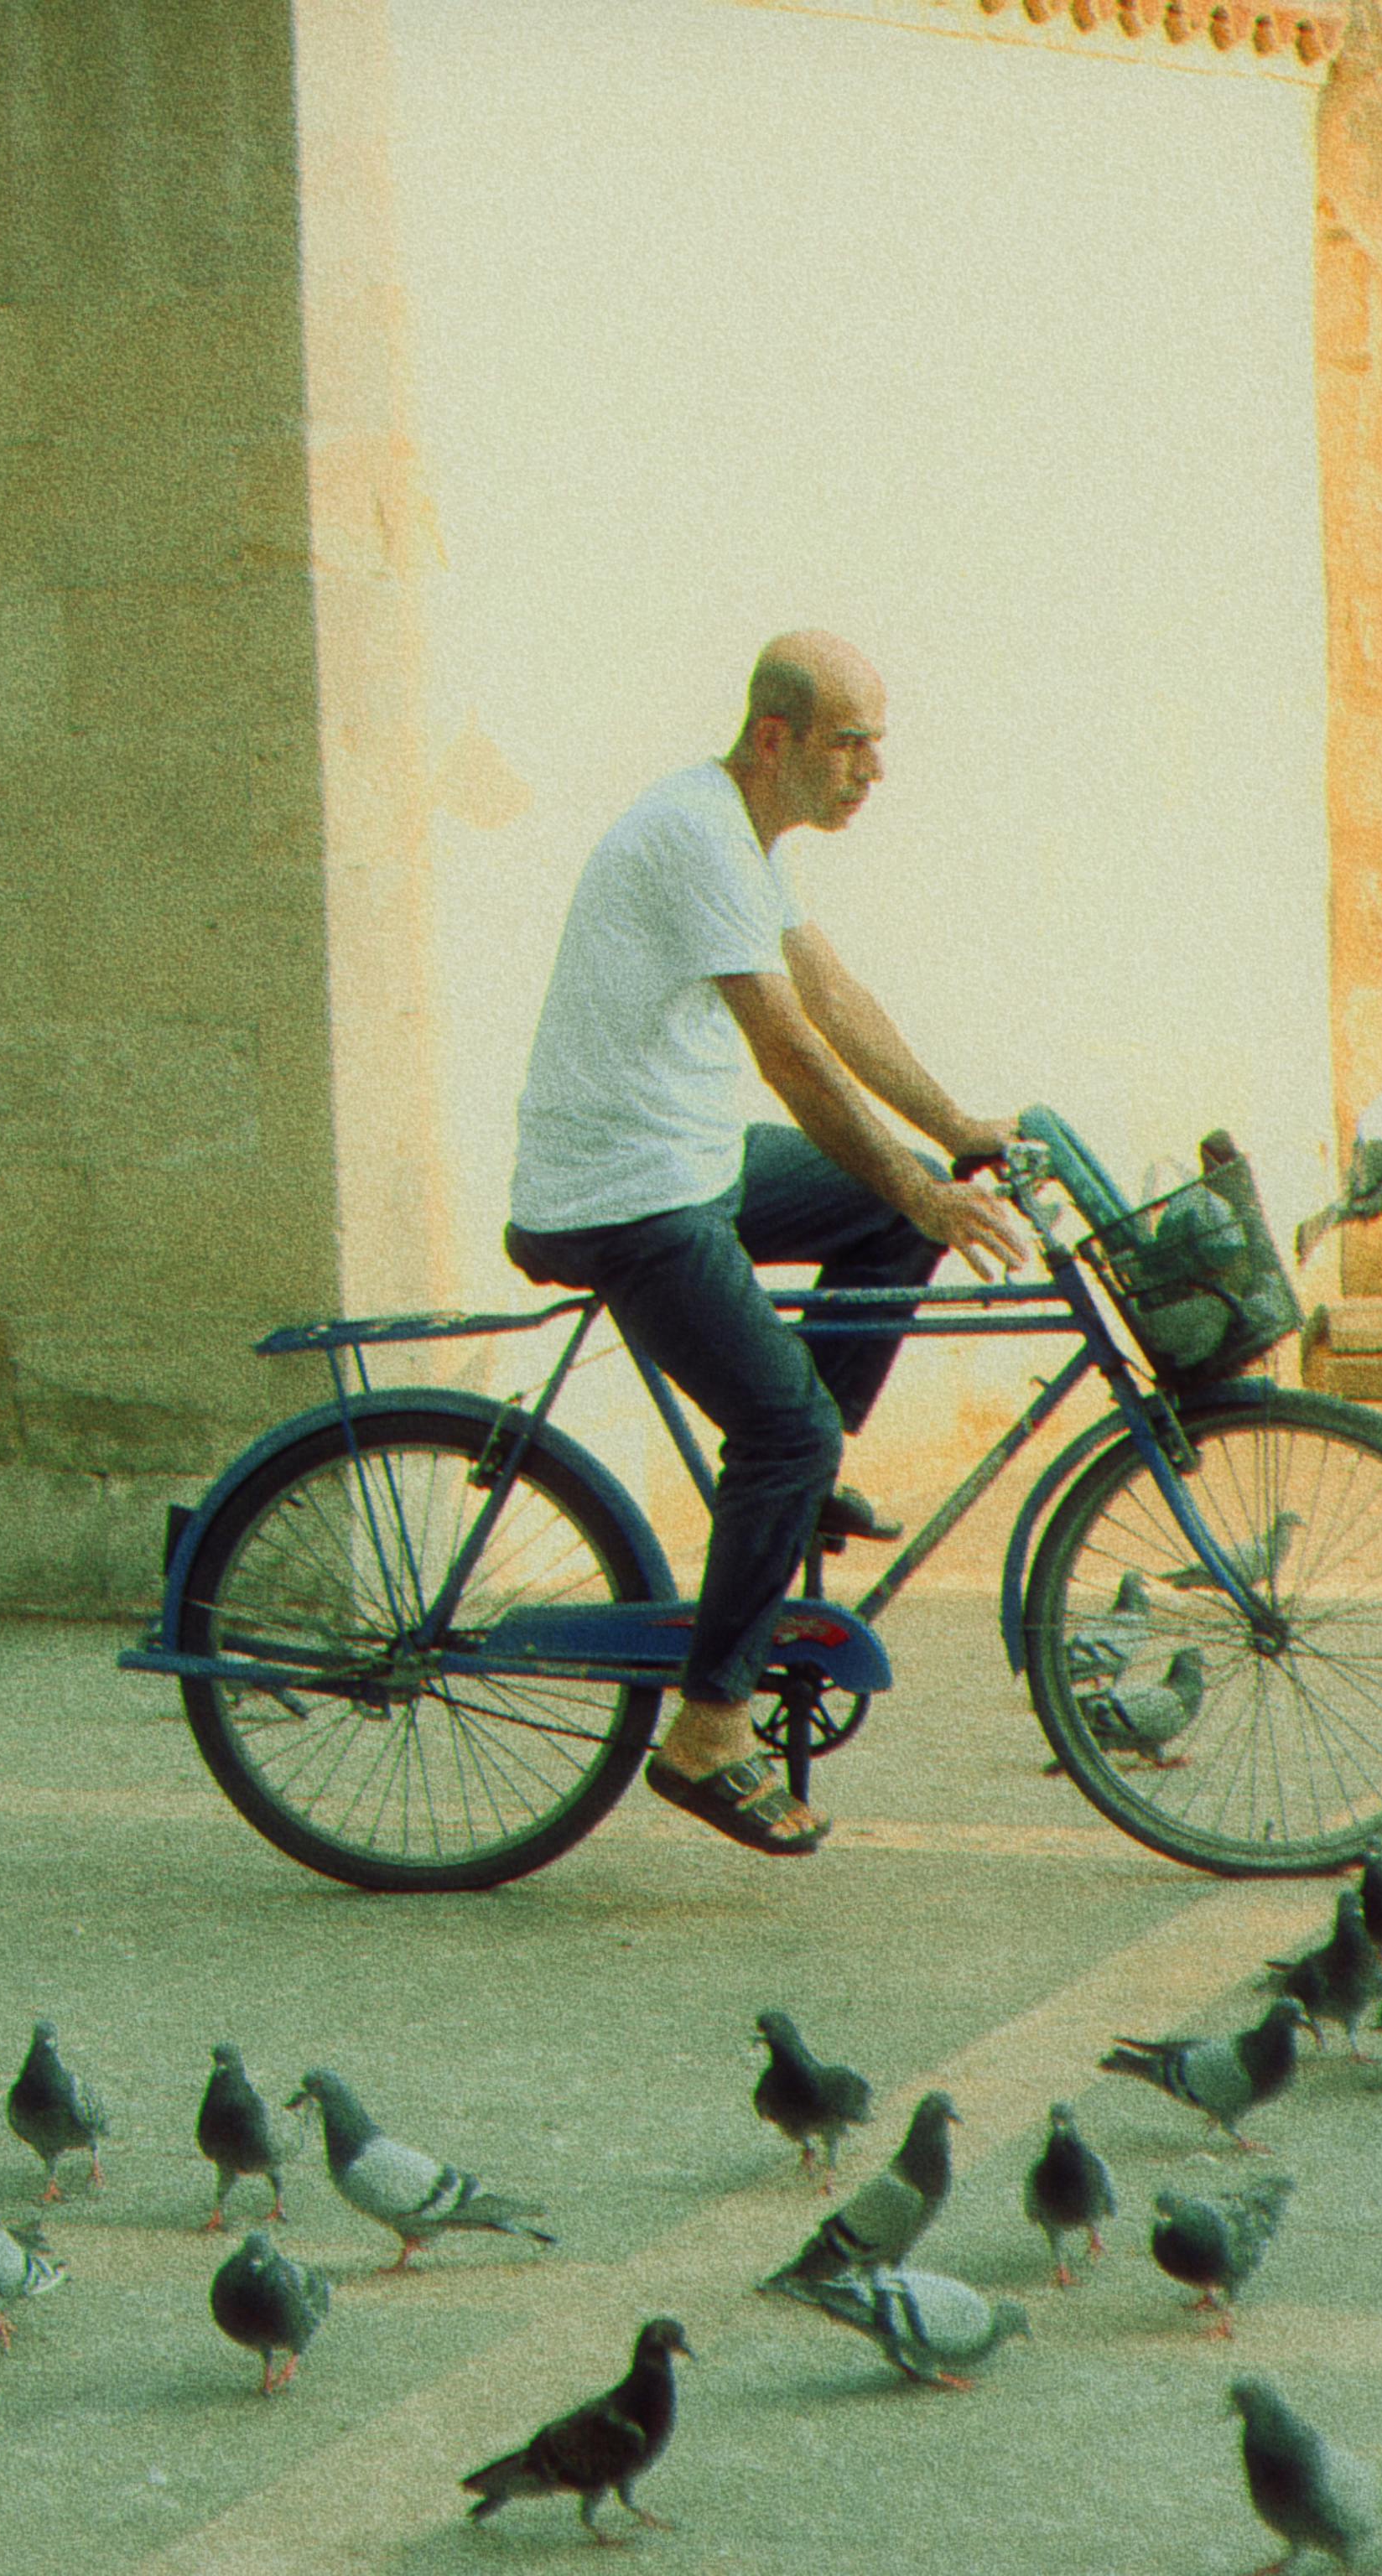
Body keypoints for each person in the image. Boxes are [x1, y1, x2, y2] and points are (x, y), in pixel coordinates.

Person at [505, 631, 1027, 1856]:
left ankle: (790, 1492)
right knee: (785, 1426)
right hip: (623, 1193)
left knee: (885, 1217)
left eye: (878, 744)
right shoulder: (694, 833)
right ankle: (705, 1729)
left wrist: (953, 1137)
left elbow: (832, 996)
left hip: (686, 1158)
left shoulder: (739, 839)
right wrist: (914, 1185)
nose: (872, 772)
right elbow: (789, 1049)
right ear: (776, 738)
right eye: (851, 743)